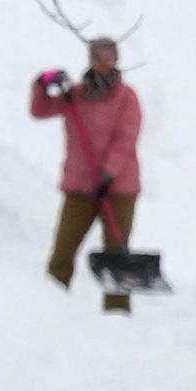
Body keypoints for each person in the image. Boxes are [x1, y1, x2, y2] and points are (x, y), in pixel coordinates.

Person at [28, 36, 146, 314]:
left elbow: (126, 138)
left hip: (118, 189)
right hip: (80, 188)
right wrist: (41, 83)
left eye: (109, 58)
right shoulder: (75, 95)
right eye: (97, 58)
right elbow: (40, 110)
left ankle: (117, 314)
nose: (103, 64)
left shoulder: (127, 97)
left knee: (116, 254)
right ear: (90, 60)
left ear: (116, 60)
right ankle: (51, 307)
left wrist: (108, 174)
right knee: (62, 251)